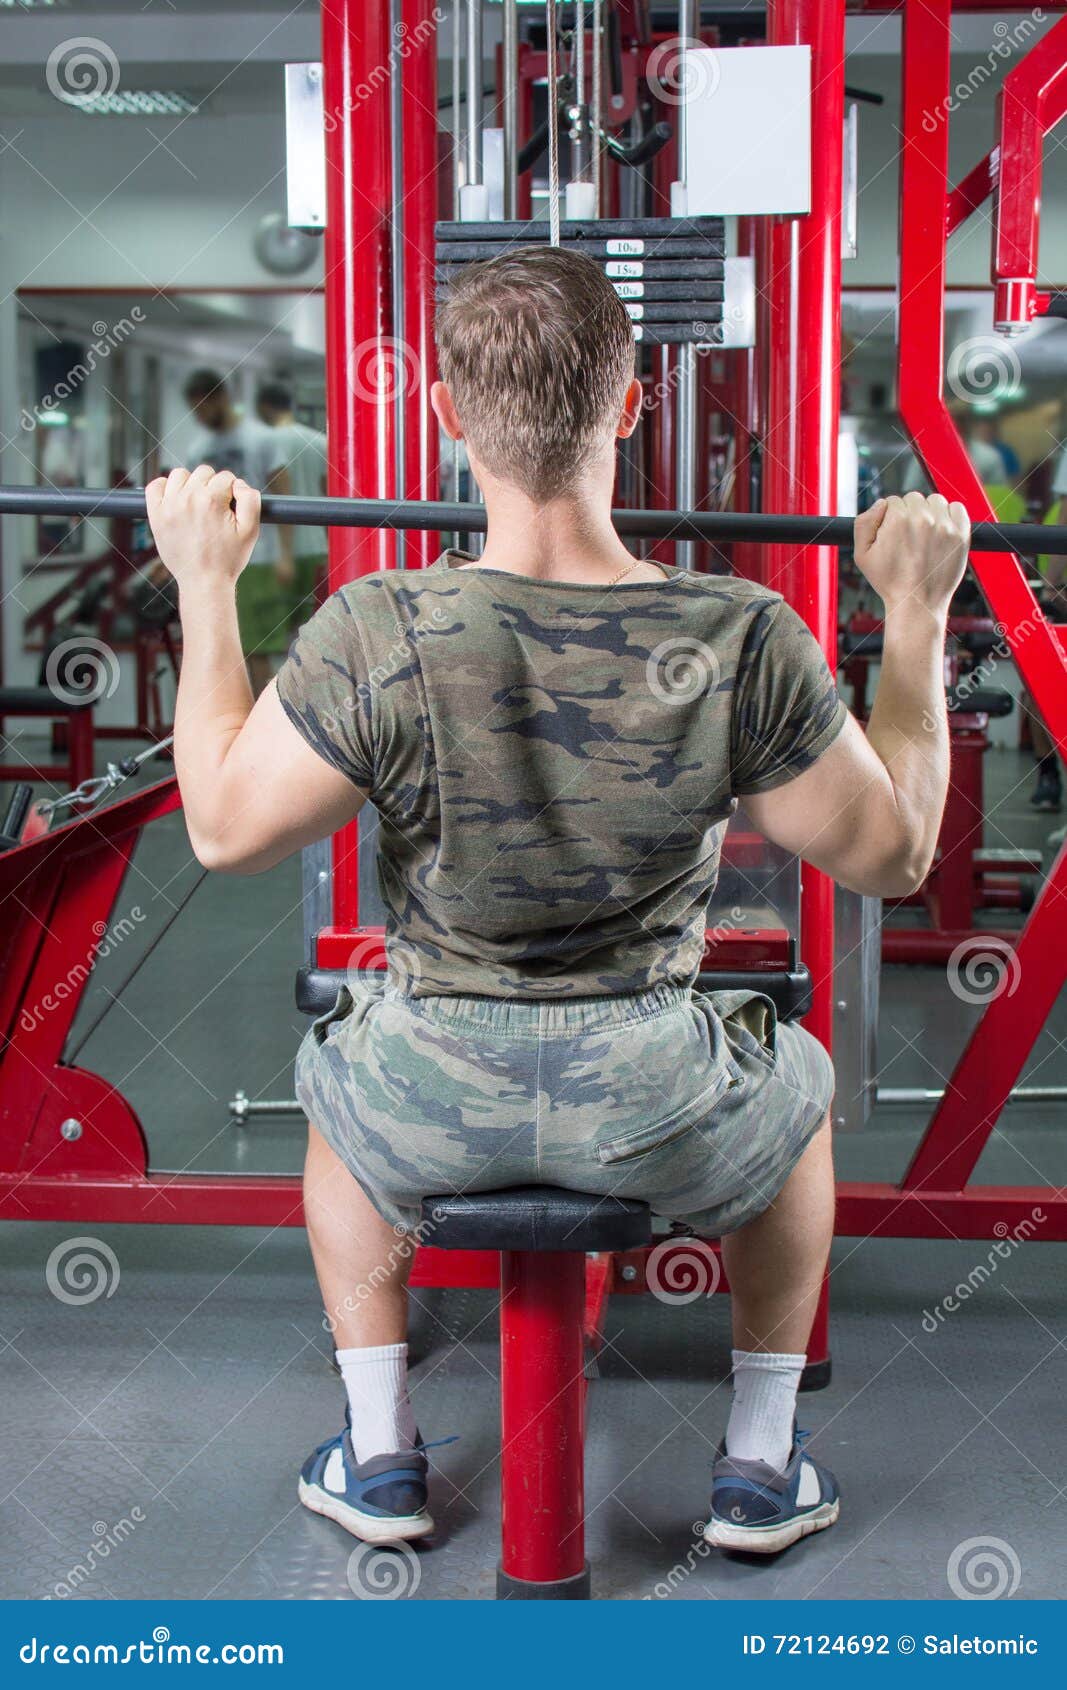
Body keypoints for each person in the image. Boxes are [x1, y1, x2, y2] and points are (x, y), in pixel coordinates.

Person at [145, 248, 970, 1560]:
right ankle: (758, 1465)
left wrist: (204, 582)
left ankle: (377, 1456)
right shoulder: (738, 627)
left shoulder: (376, 624)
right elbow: (893, 856)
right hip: (653, 1098)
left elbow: (225, 828)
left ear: (442, 412)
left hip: (430, 1093)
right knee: (799, 1087)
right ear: (631, 406)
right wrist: (915, 615)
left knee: (335, 1090)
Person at [182, 369, 295, 695]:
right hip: (216, 561)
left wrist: (285, 555)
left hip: (258, 558)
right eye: (194, 411)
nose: (199, 417)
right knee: (221, 651)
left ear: (221, 398)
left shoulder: (261, 438)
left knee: (258, 650)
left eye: (203, 407)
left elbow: (282, 494)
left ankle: (263, 727)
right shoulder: (199, 448)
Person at [255, 380, 329, 630]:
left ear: (264, 407)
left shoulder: (263, 443)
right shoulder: (319, 441)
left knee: (273, 632)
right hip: (316, 547)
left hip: (274, 554)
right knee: (313, 629)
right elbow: (329, 495)